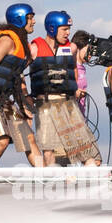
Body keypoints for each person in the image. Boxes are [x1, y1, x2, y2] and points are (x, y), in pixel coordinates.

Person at [0, 3, 41, 168]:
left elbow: (16, 79)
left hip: (3, 98)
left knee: (28, 138)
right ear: (20, 19)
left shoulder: (21, 44)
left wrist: (24, 106)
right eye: (30, 18)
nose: (33, 22)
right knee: (2, 140)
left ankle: (44, 176)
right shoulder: (6, 41)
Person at [29, 11, 101, 166]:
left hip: (68, 103)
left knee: (86, 150)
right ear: (52, 28)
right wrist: (24, 96)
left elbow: (73, 68)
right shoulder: (34, 48)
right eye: (64, 29)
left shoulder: (72, 48)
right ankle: (51, 184)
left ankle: (93, 183)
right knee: (48, 150)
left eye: (69, 28)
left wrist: (74, 87)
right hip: (45, 103)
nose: (68, 33)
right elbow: (17, 71)